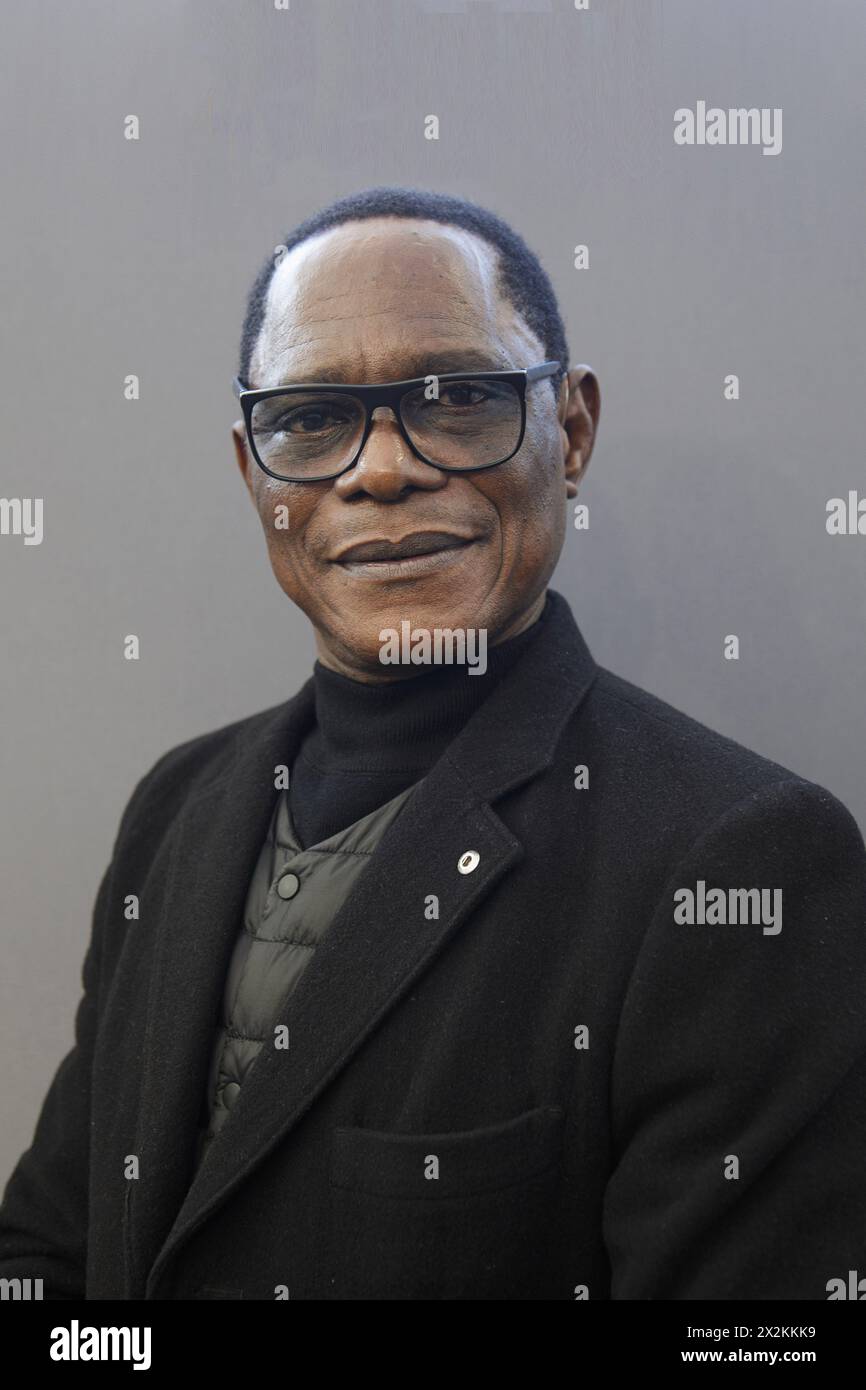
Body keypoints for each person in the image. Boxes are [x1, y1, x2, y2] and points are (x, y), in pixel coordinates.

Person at [2, 187, 865, 1301]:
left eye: (456, 397)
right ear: (251, 473)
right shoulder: (177, 806)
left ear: (572, 429)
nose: (377, 468)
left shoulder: (736, 861)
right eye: (310, 419)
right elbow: (51, 1251)